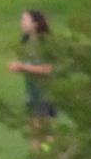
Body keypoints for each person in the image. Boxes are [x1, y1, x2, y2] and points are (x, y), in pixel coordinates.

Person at [9, 10, 57, 151]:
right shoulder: (27, 44)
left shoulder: (44, 44)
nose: (21, 23)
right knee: (38, 134)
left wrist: (22, 67)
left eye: (25, 19)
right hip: (33, 94)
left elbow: (48, 69)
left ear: (35, 24)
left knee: (41, 135)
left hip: (44, 95)